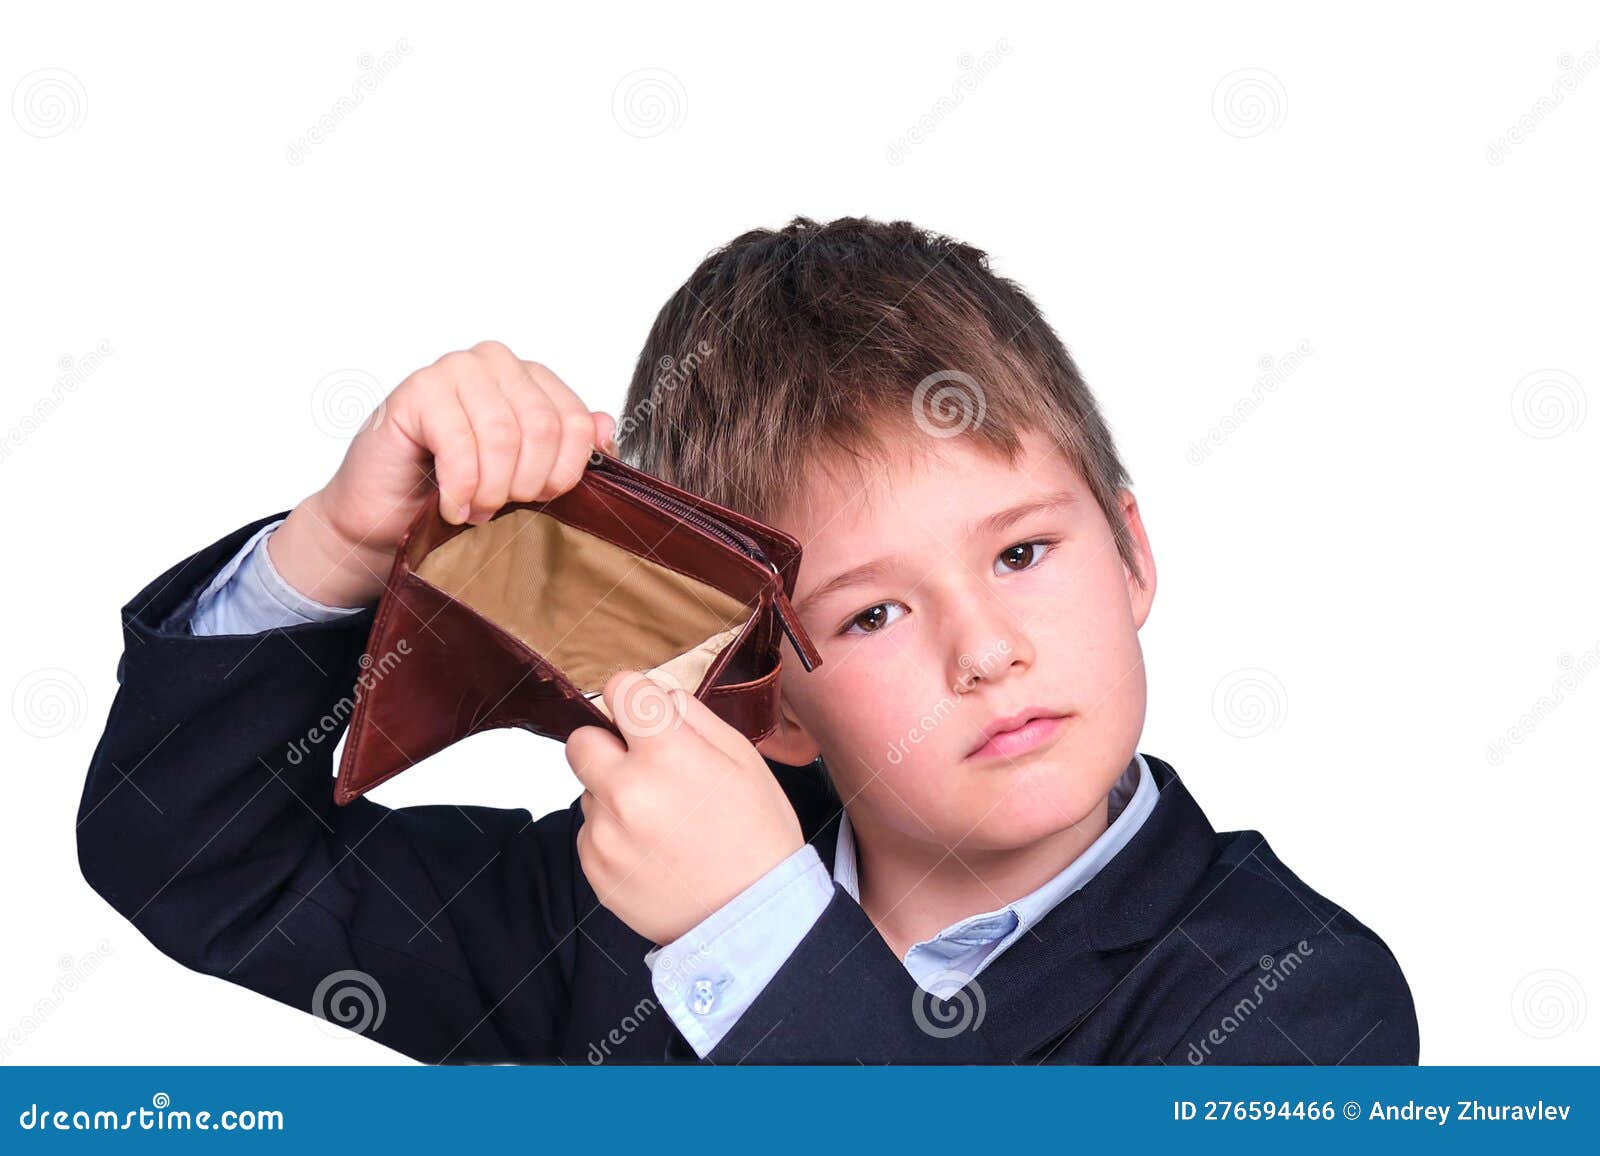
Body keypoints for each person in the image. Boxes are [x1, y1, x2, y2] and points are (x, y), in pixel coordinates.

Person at [76, 216, 1418, 1064]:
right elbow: (195, 859)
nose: (987, 650)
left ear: (1131, 551)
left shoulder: (1295, 1007)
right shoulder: (595, 919)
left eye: (1021, 552)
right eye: (873, 611)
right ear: (767, 704)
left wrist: (764, 939)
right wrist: (343, 547)